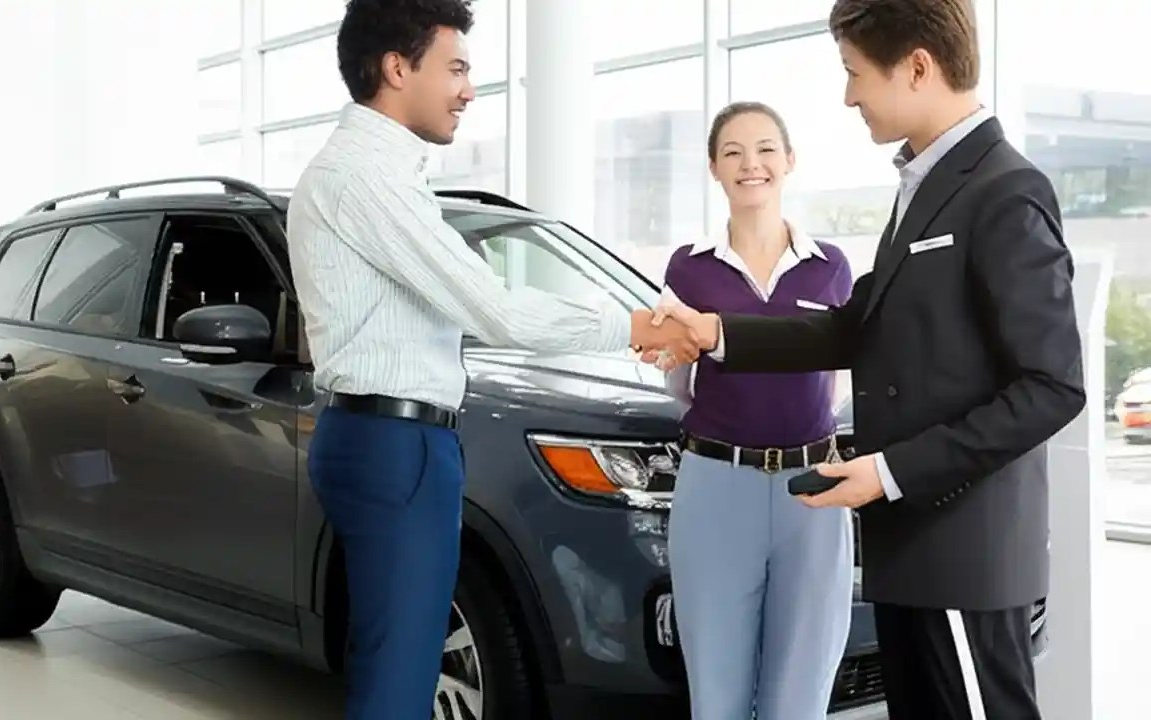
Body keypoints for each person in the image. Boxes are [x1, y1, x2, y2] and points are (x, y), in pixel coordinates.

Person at [649, 1, 1086, 718]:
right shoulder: (926, 190)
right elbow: (853, 330)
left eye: (855, 74)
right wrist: (714, 334)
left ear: (917, 66)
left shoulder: (1003, 191)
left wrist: (888, 472)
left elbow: (1052, 387)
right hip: (913, 547)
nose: (848, 95)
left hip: (960, 557)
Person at [284, 1, 700, 718]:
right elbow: (495, 308)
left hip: (385, 436)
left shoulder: (371, 173)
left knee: (396, 657)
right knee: (399, 673)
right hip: (396, 440)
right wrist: (634, 323)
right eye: (456, 68)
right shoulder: (368, 178)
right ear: (395, 68)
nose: (469, 90)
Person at [654, 101, 855, 720]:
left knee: (800, 699)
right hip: (716, 487)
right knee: (716, 697)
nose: (751, 164)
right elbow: (679, 384)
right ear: (714, 167)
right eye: (734, 152)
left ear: (789, 161)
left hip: (813, 492)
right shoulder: (687, 268)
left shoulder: (831, 268)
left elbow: (841, 381)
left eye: (767, 148)